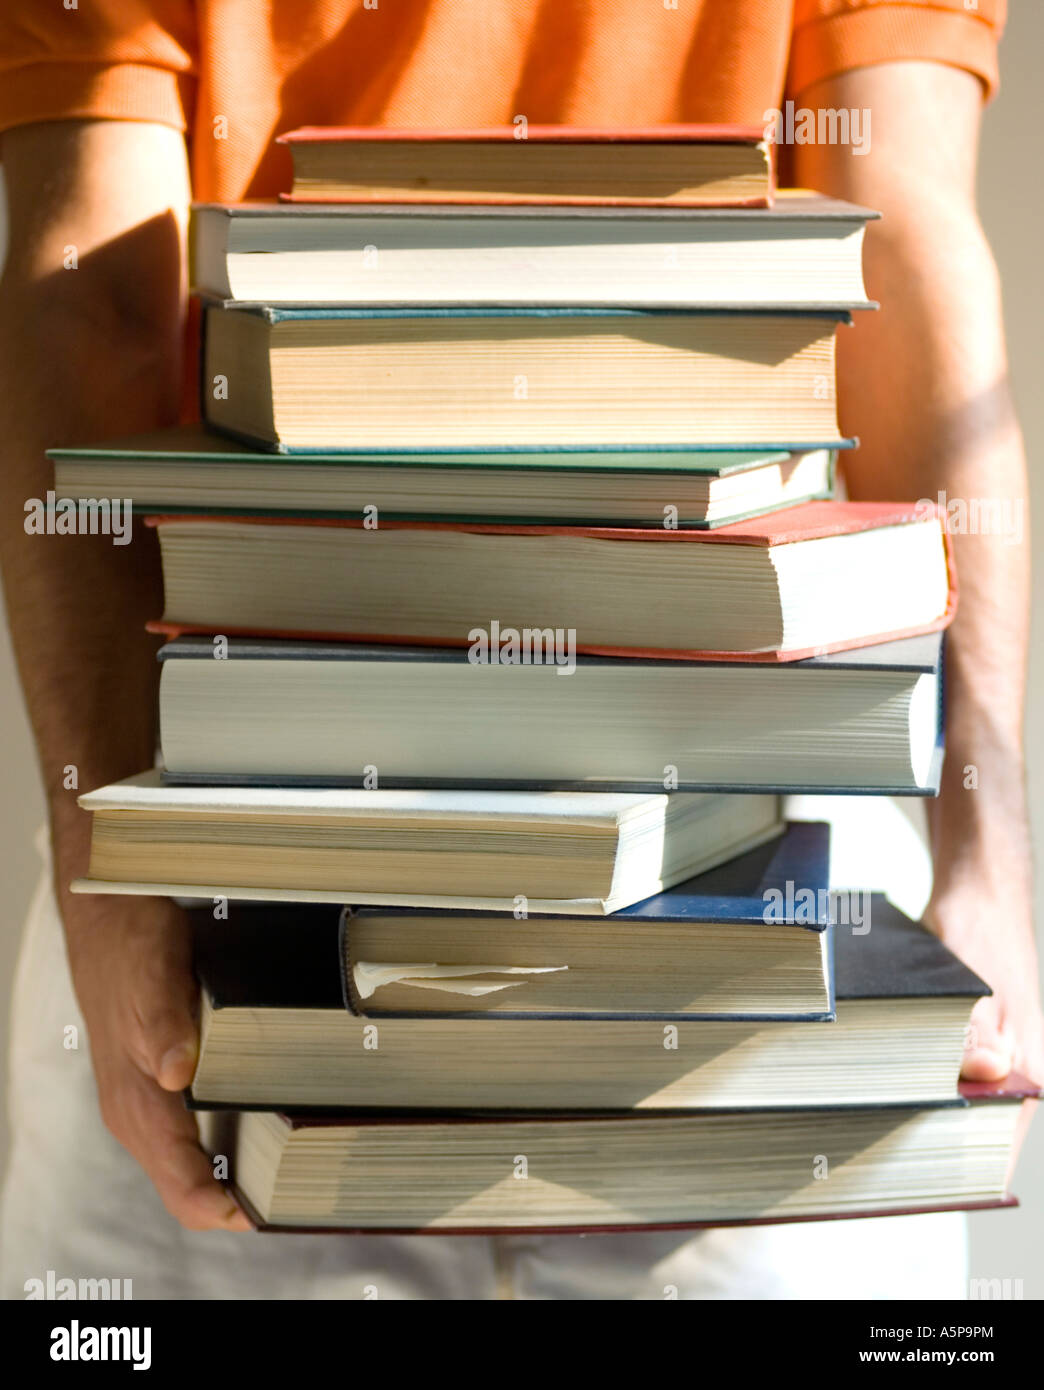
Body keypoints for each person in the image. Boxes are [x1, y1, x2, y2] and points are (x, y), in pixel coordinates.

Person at [0, 0, 1038, 1299]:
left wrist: (990, 852)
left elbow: (908, 237)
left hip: (752, 797)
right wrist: (112, 875)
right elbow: (86, 293)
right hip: (228, 805)